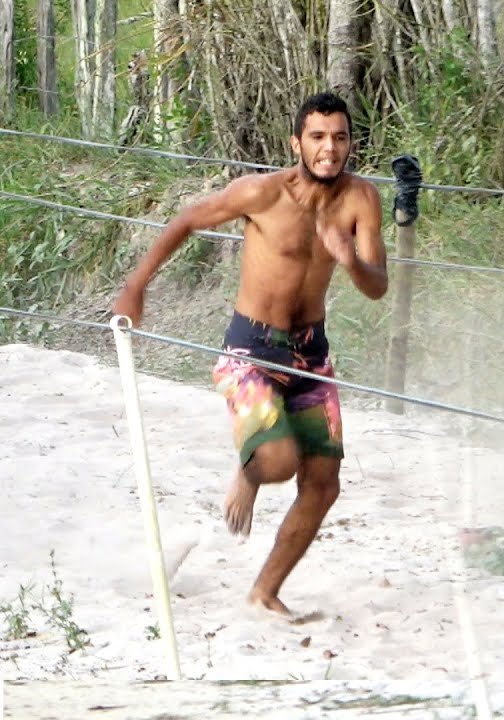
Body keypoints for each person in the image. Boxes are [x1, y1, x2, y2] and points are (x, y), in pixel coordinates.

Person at [111, 91, 388, 617]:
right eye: (318, 137)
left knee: (324, 484)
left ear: (350, 143)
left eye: (340, 137)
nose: (330, 148)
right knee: (278, 462)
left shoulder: (361, 200)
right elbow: (187, 220)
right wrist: (136, 286)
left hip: (311, 353)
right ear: (297, 143)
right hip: (251, 348)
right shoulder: (262, 193)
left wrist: (349, 258)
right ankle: (251, 470)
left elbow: (377, 285)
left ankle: (265, 591)